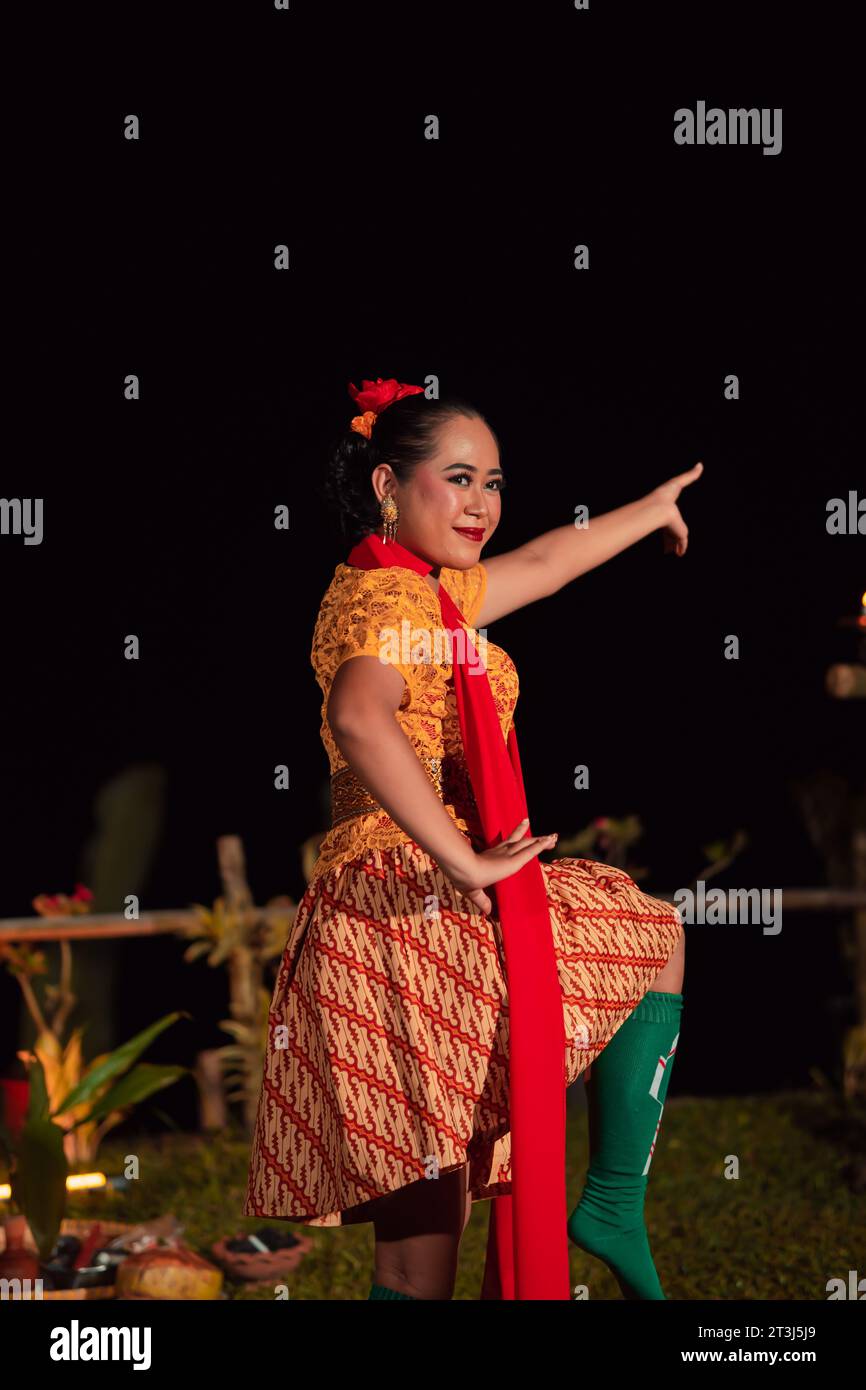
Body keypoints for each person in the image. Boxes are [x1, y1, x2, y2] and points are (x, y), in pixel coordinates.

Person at [244, 378, 701, 1301]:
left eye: (492, 480)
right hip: (398, 916)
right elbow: (360, 717)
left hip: (420, 912)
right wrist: (462, 858)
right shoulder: (387, 608)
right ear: (387, 485)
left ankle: (611, 1201)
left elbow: (546, 559)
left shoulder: (426, 594)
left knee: (423, 1251)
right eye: (456, 479)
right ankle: (610, 1200)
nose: (482, 502)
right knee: (421, 1258)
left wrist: (648, 510)